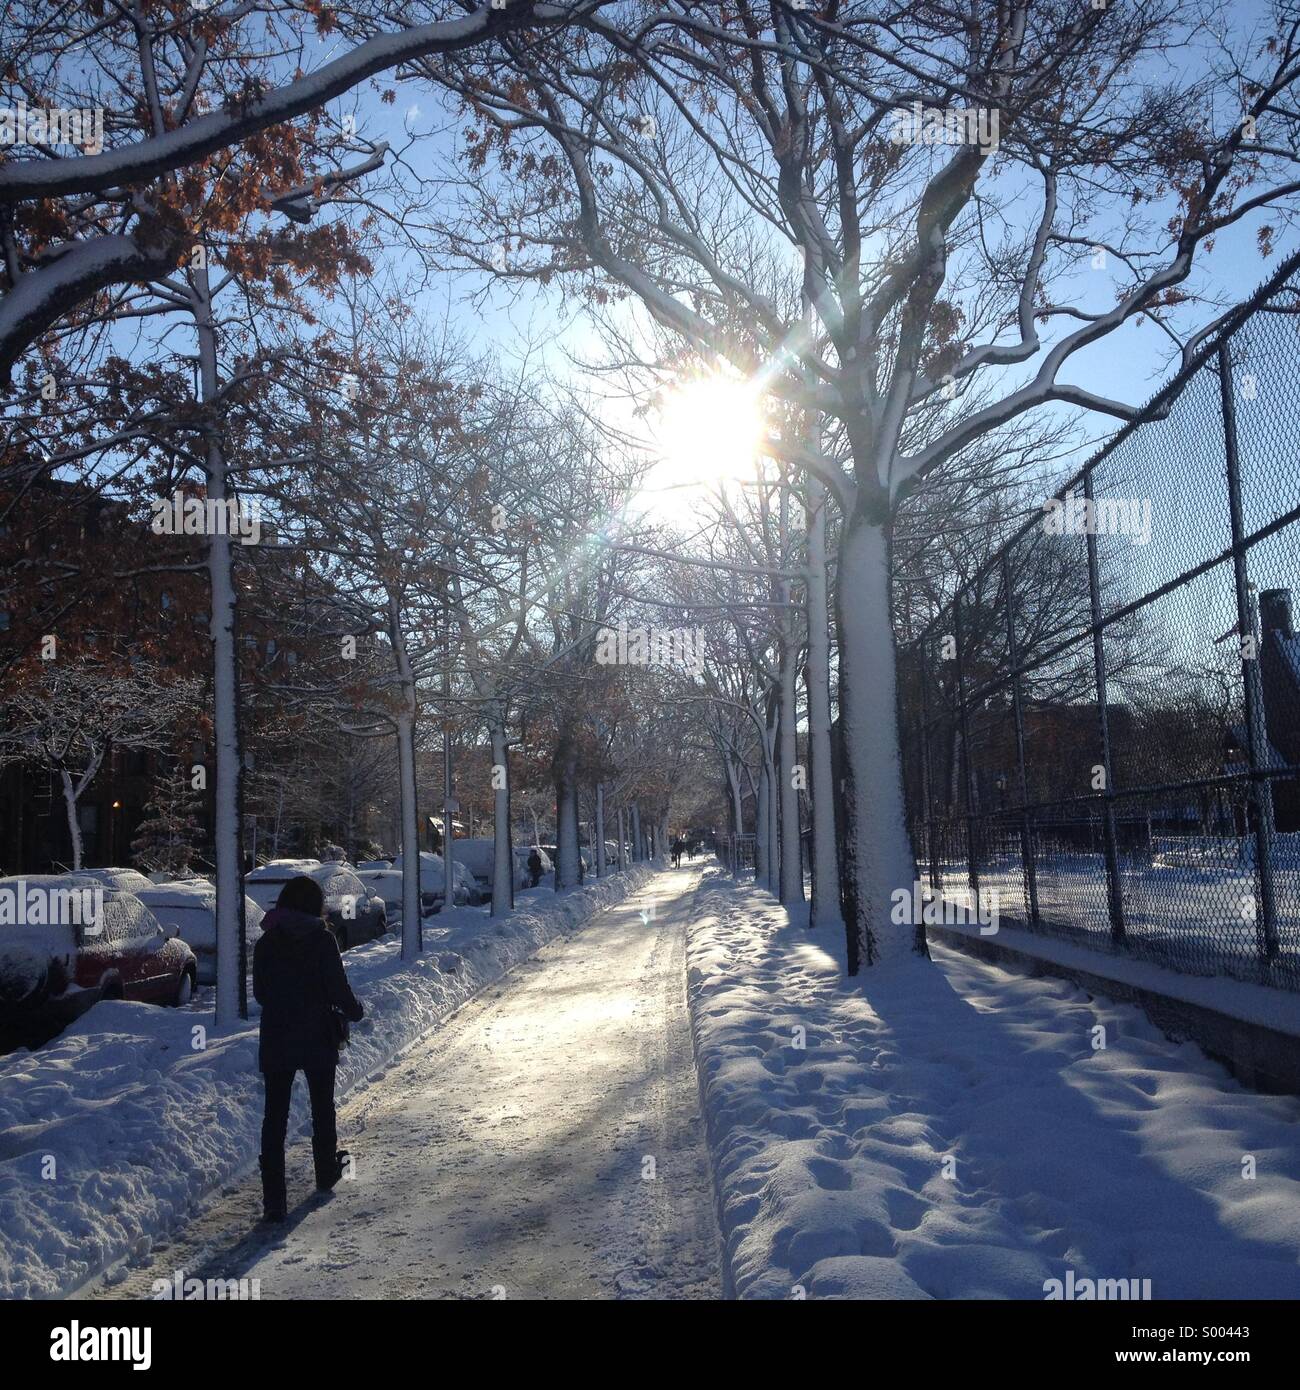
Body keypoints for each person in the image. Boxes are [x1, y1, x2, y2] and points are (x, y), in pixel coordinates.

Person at [253, 875, 364, 1223]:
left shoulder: (266, 943)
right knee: (321, 1107)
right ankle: (325, 1170)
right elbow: (337, 988)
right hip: (318, 1035)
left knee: (275, 1118)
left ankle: (274, 1201)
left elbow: (260, 994)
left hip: (278, 1036)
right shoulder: (322, 940)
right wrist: (355, 1010)